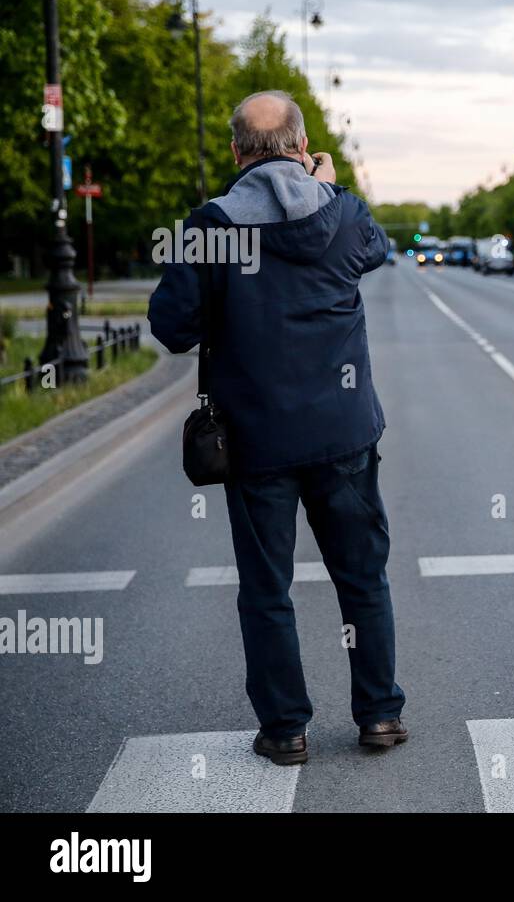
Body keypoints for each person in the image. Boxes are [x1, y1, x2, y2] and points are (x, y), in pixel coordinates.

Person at [149, 90, 406, 766]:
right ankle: (379, 714)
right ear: (300, 145)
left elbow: (171, 328)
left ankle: (285, 728)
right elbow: (374, 250)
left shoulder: (210, 226)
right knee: (364, 579)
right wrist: (325, 184)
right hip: (345, 435)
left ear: (236, 152)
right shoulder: (343, 212)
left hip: (257, 440)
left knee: (268, 591)